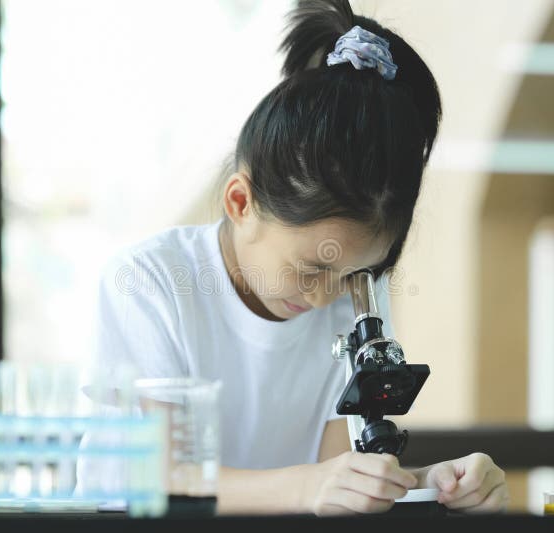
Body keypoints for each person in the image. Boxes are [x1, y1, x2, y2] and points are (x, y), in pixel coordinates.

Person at [83, 0, 508, 516]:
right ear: (241, 202)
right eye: (313, 268)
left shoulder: (354, 299)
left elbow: (340, 483)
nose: (326, 294)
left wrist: (435, 484)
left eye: (356, 272)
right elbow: (157, 477)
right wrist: (309, 487)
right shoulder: (150, 282)